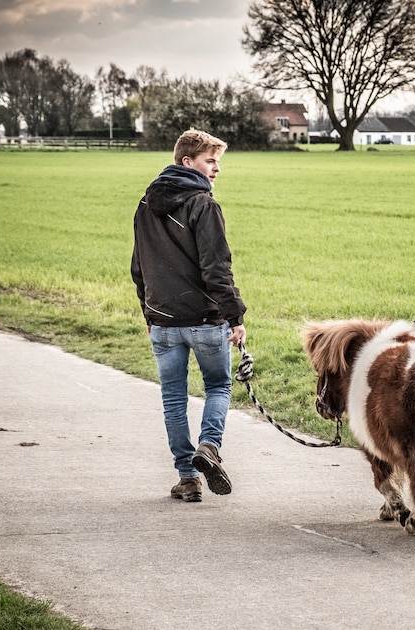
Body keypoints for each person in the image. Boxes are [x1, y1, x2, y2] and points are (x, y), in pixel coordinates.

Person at [130, 128, 246, 503]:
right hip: (205, 321)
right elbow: (217, 269)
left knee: (173, 400)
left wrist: (148, 312)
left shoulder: (145, 205)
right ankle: (208, 447)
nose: (217, 168)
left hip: (163, 323)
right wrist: (235, 316)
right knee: (219, 387)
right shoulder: (203, 205)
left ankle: (187, 477)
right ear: (187, 161)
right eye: (210, 161)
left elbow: (138, 267)